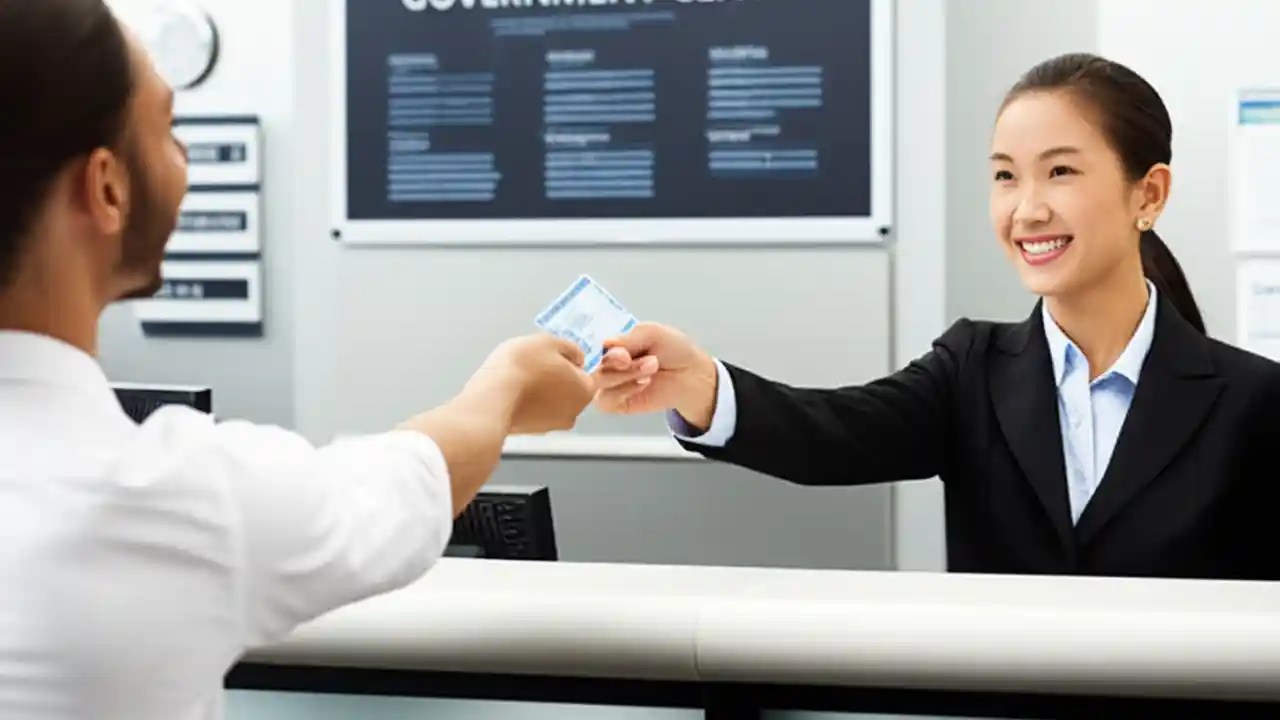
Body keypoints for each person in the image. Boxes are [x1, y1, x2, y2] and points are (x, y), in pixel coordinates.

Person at [0, 1, 595, 718]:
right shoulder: (168, 496)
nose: (183, 159)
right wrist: (505, 388)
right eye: (167, 129)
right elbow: (406, 483)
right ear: (107, 187)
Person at [597, 53, 1280, 581]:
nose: (1027, 209)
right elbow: (832, 433)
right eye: (1006, 176)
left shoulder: (1254, 402)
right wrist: (700, 386)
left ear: (1149, 193)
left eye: (1061, 172)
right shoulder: (972, 371)